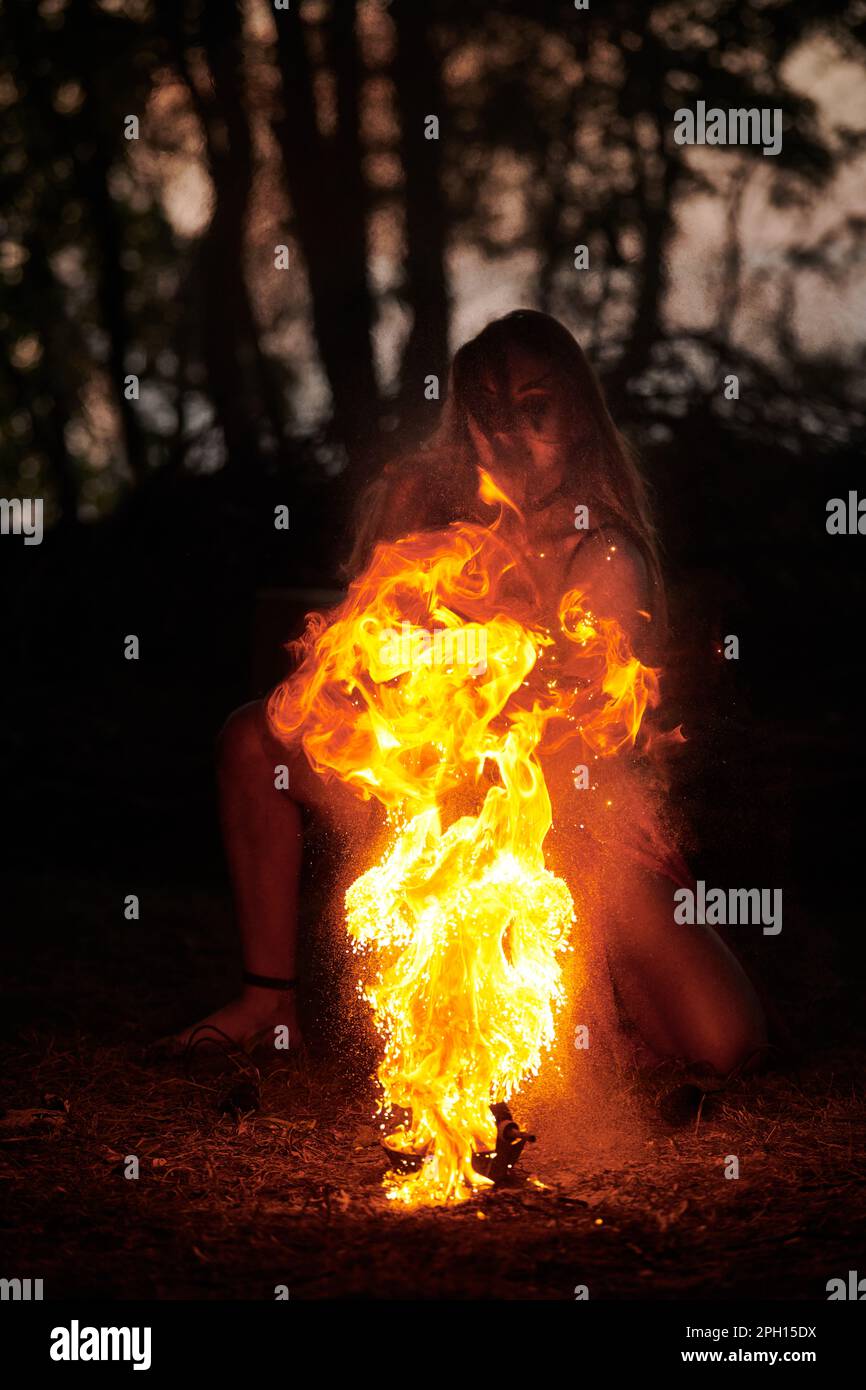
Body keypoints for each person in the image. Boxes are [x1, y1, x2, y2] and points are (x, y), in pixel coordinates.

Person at [169, 310, 767, 1078]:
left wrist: (482, 686)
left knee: (722, 1043)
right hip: (434, 795)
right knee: (256, 738)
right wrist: (382, 683)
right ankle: (266, 1001)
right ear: (468, 429)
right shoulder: (437, 529)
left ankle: (593, 1006)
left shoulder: (603, 550)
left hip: (584, 834)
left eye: (535, 407)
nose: (512, 433)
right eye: (489, 414)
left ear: (579, 415)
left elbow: (578, 744)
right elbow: (368, 657)